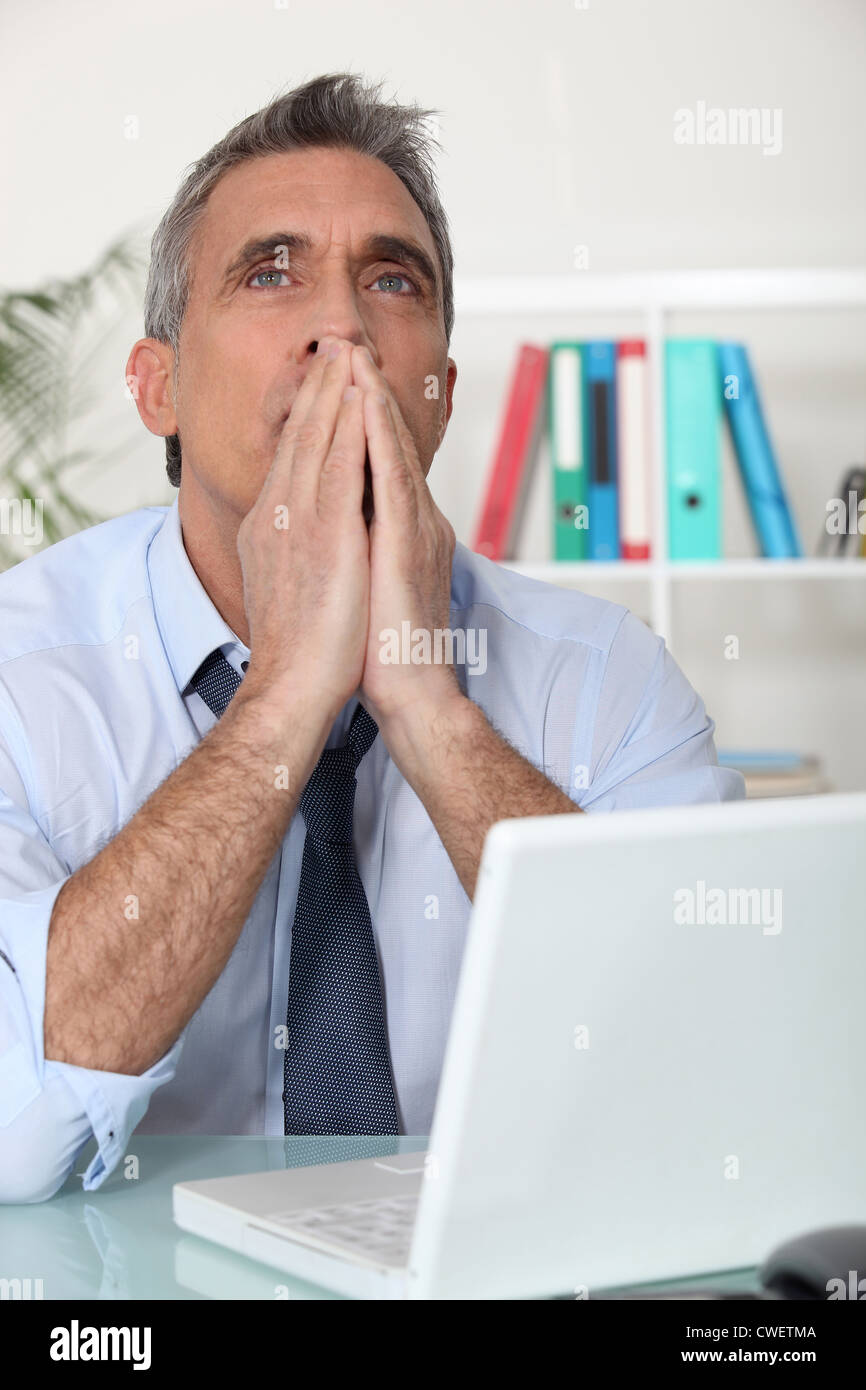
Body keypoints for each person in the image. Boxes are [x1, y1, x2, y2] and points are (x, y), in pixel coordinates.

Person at [0, 72, 743, 1204]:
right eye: (269, 272)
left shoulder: (609, 680)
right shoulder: (20, 676)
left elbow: (713, 1084)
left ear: (439, 389)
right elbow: (11, 1135)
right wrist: (284, 703)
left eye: (391, 280)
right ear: (157, 389)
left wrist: (430, 712)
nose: (342, 327)